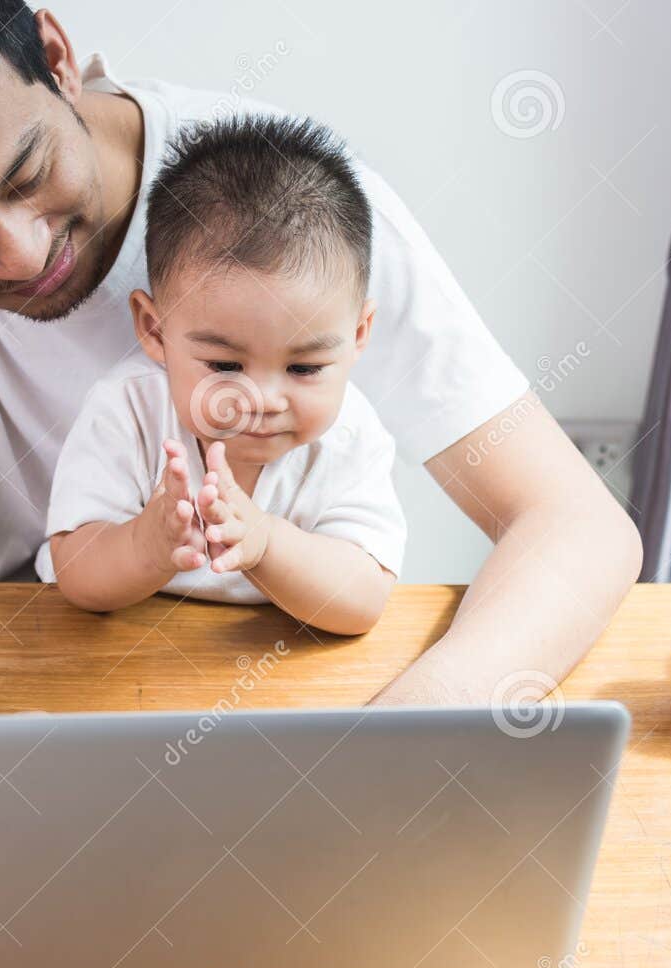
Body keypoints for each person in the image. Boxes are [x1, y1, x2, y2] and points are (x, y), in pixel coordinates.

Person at [0, 0, 643, 717]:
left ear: (57, 58)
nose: (21, 254)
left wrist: (413, 733)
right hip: (5, 642)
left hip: (285, 654)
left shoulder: (291, 212)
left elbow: (575, 525)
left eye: (26, 173)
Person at [41, 115, 403, 637]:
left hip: (272, 662)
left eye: (304, 367)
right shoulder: (128, 410)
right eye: (226, 365)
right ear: (155, 330)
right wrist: (147, 545)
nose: (262, 398)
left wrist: (265, 542)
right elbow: (76, 575)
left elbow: (362, 602)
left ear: (358, 334)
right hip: (123, 650)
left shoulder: (351, 436)